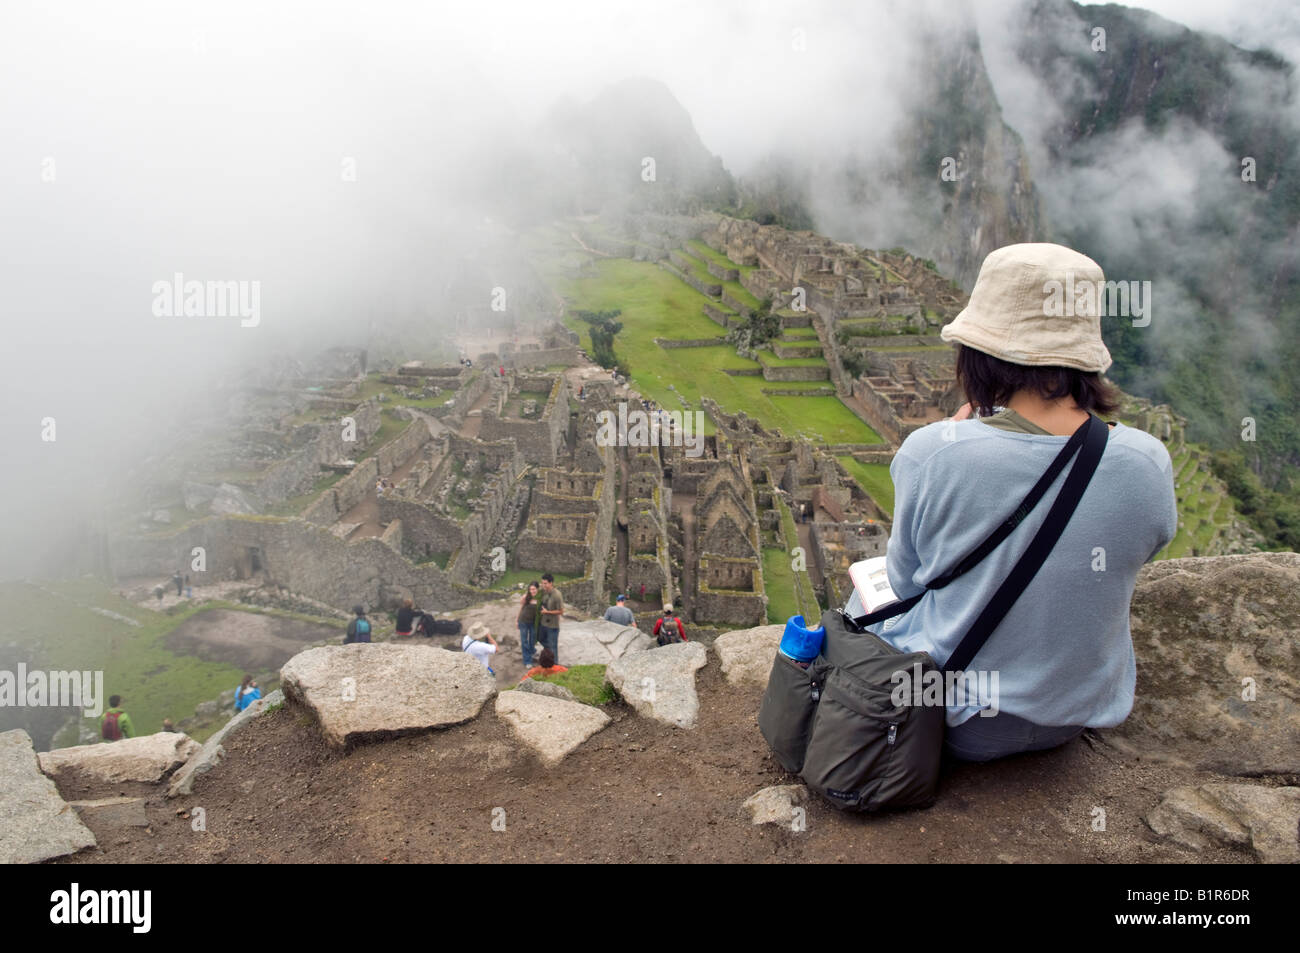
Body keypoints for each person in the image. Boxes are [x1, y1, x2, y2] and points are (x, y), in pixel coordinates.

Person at [865, 242, 1177, 763]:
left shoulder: (933, 452)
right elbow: (1140, 548)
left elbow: (906, 581)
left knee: (866, 599)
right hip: (1075, 715)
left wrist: (953, 443)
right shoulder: (1148, 461)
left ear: (979, 355)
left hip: (961, 721)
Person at [538, 573, 564, 665]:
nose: (543, 585)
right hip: (543, 623)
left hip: (552, 626)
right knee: (540, 639)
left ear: (551, 583)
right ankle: (548, 655)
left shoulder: (557, 595)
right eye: (542, 583)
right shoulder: (544, 592)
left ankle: (554, 664)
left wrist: (547, 612)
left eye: (545, 583)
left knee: (553, 646)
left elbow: (561, 611)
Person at [517, 582, 541, 668]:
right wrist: (517, 620)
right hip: (523, 621)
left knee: (533, 639)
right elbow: (521, 608)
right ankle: (527, 661)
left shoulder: (540, 598)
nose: (532, 591)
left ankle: (532, 650)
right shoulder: (526, 597)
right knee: (524, 641)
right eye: (530, 589)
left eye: (534, 589)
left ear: (537, 589)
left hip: (533, 622)